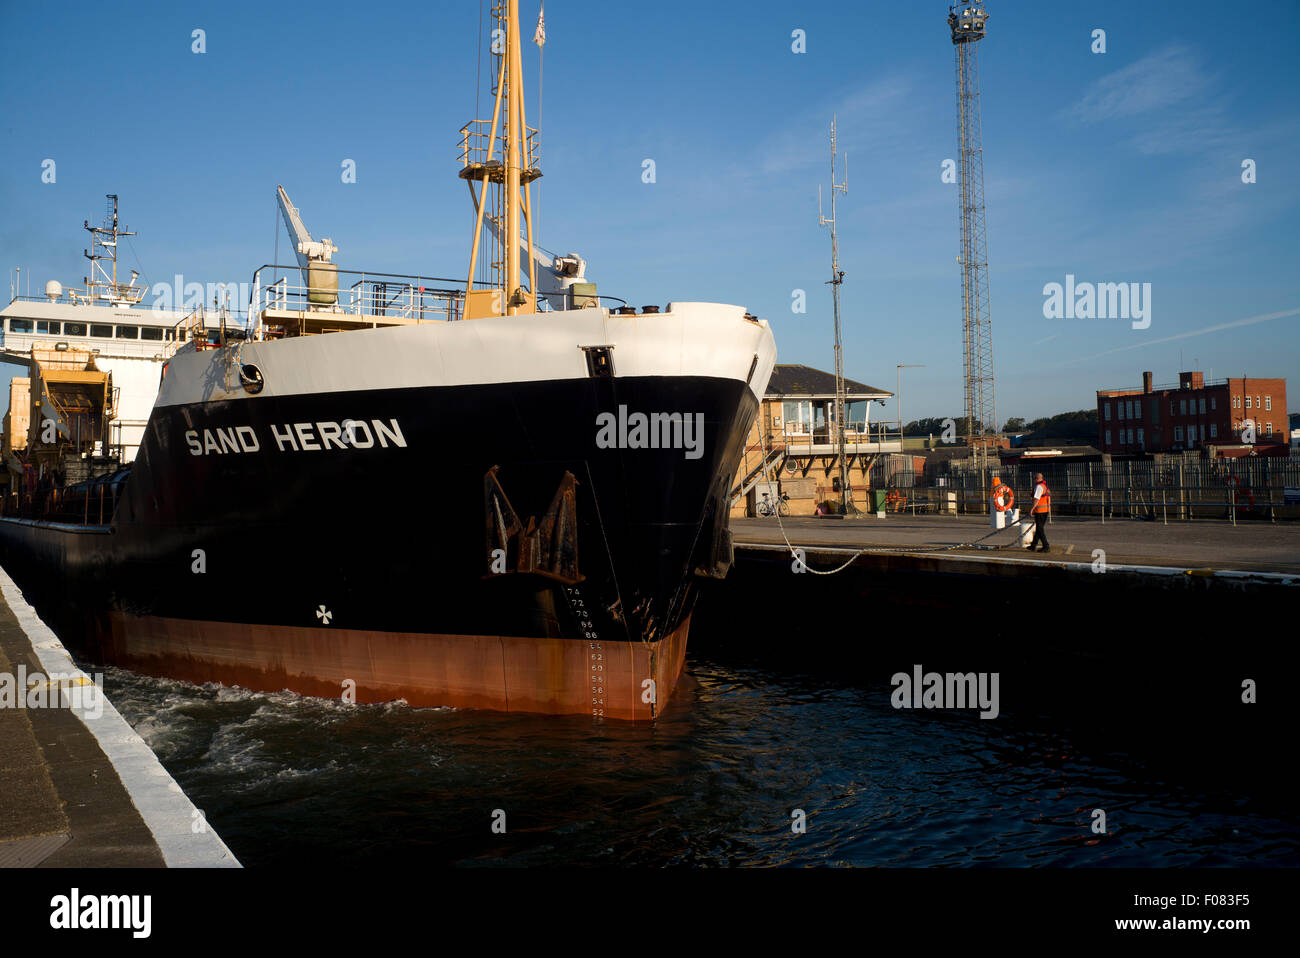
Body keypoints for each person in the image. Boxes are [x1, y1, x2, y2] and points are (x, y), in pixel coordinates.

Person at [1027, 472, 1051, 553]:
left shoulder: (1038, 487)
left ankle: (1046, 546)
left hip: (1039, 511)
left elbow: (1036, 499)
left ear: (1037, 479)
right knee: (1038, 528)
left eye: (1034, 479)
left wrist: (1032, 509)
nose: (1034, 480)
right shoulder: (1045, 486)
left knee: (1040, 529)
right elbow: (1049, 498)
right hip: (1045, 510)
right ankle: (1033, 545)